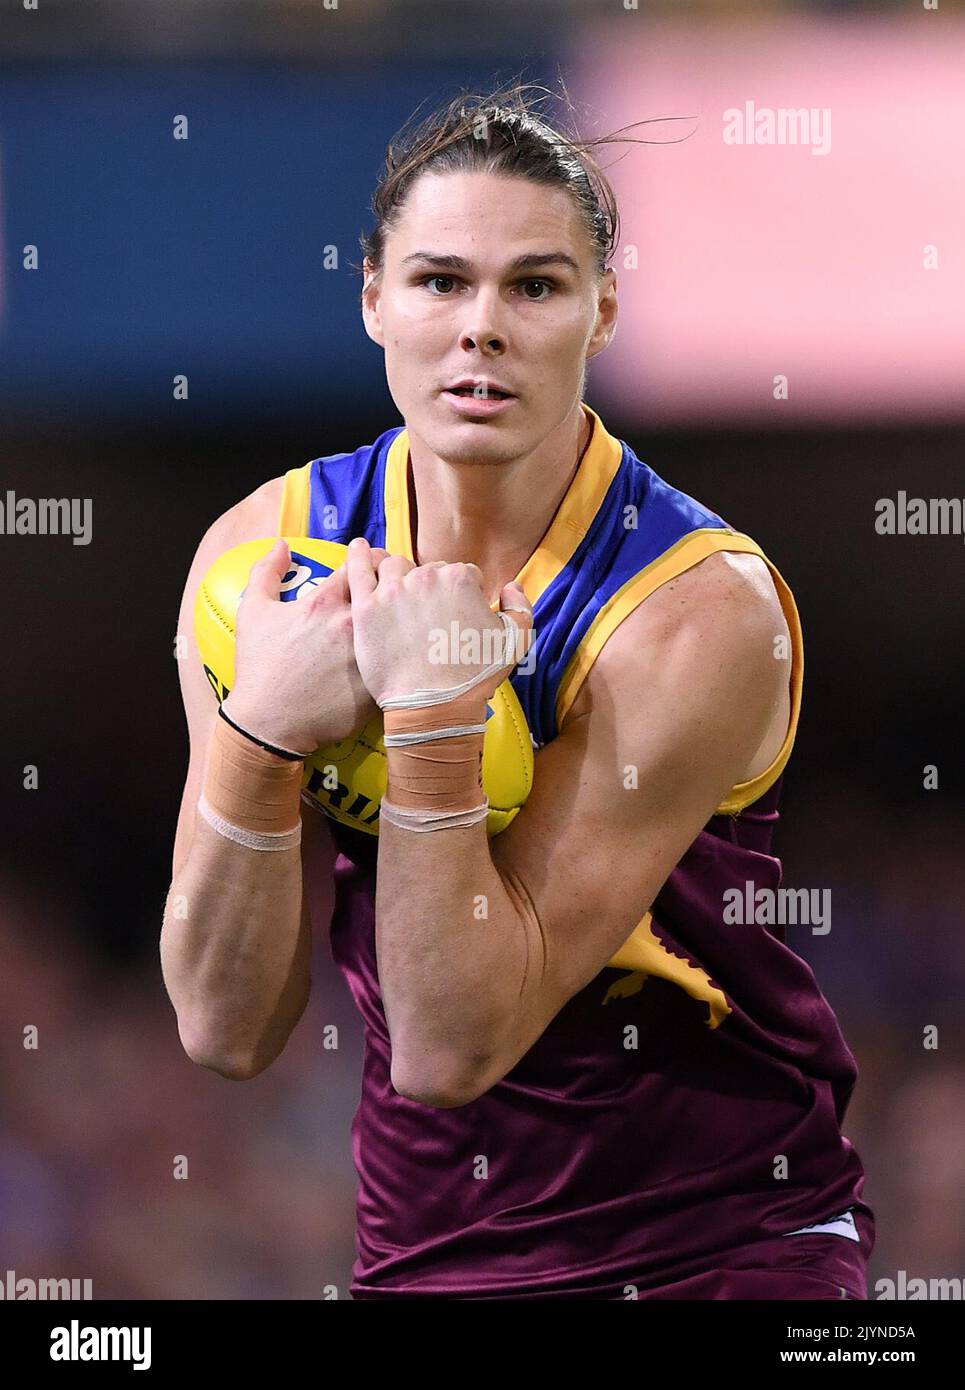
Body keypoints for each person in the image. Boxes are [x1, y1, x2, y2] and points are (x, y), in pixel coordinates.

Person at [161, 83, 874, 1300]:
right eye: (440, 281)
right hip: (425, 1253)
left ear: (602, 311)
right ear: (372, 297)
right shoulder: (264, 557)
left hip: (721, 1252)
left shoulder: (693, 612)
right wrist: (260, 730)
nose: (479, 326)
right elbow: (226, 1031)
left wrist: (434, 715)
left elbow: (449, 1046)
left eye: (533, 287)